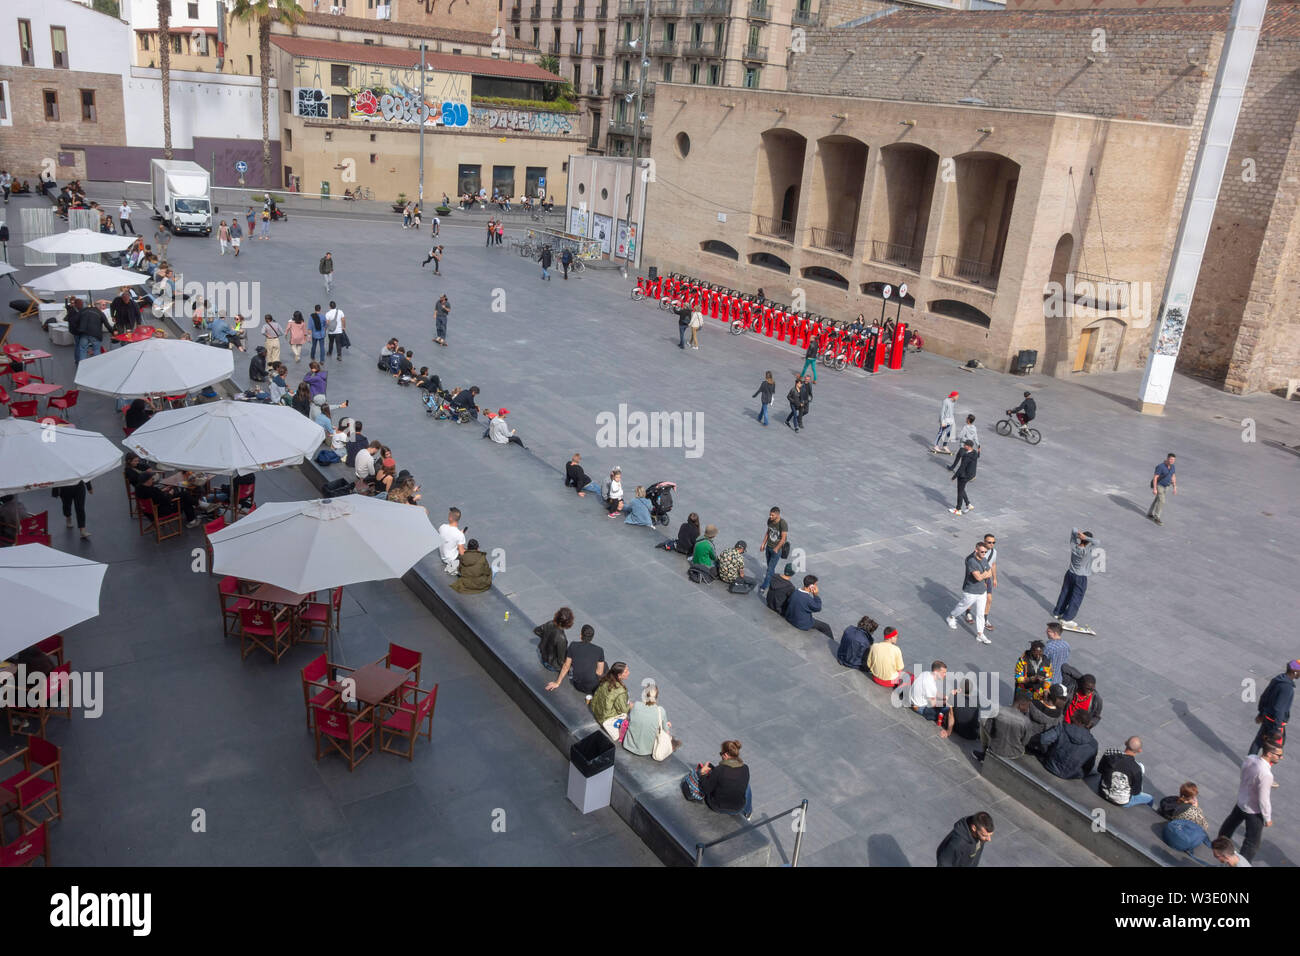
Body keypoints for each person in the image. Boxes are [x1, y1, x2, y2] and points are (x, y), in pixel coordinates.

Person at [1217, 743, 1281, 862]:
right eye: (1279, 755)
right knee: (1251, 842)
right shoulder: (1266, 774)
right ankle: (1242, 863)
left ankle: (1219, 847)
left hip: (1242, 801)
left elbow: (1243, 775)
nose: (1281, 757)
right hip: (1254, 811)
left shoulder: (1250, 758)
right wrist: (1267, 818)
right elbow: (1263, 799)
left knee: (1229, 825)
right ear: (1269, 754)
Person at [685, 740, 752, 819]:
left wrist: (703, 774)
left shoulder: (720, 770)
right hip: (737, 809)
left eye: (721, 754)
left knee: (716, 783)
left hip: (717, 806)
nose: (721, 756)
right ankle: (748, 812)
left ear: (726, 755)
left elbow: (706, 789)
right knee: (747, 786)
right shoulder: (745, 768)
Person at [946, 539, 992, 644]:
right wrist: (985, 574)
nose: (984, 554)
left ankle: (980, 634)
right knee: (962, 606)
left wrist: (984, 574)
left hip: (982, 592)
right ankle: (951, 617)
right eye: (982, 552)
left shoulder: (984, 559)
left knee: (980, 614)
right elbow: (978, 578)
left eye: (985, 552)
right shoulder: (971, 561)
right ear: (976, 550)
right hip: (971, 591)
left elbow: (989, 573)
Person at [1051, 528, 1097, 627]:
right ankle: (1067, 619)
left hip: (1070, 573)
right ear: (1088, 541)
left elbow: (1073, 529)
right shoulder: (1087, 551)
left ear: (1080, 538)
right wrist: (1087, 538)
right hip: (1080, 577)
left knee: (1065, 592)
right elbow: (1097, 542)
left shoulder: (1074, 546)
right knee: (1076, 597)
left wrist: (1078, 534)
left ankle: (1058, 612)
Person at [623, 679, 679, 759]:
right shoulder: (660, 711)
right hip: (646, 750)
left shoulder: (636, 705)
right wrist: (666, 726)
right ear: (656, 697)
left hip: (628, 745)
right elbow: (666, 731)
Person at [1250, 660, 1298, 755]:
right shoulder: (1287, 688)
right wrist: (1277, 728)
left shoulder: (1278, 679)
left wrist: (1261, 713)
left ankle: (1249, 763)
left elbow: (1265, 696)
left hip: (1267, 716)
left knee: (1258, 741)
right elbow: (1279, 709)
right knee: (1275, 749)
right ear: (1295, 672)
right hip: (1275, 721)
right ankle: (1262, 767)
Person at [546, 624, 605, 695]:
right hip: (592, 687)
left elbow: (566, 666)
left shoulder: (573, 645)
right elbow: (599, 673)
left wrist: (557, 683)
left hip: (578, 685)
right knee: (604, 665)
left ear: (581, 635)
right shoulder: (599, 650)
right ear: (592, 638)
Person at [1037, 713, 1099, 779]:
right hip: (1070, 774)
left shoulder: (1062, 727)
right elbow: (1088, 767)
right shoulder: (1093, 744)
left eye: (1074, 716)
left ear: (1079, 721)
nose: (1071, 716)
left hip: (1049, 764)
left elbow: (1043, 739)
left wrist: (1047, 753)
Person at [1098, 736, 1154, 807]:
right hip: (1121, 801)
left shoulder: (1109, 753)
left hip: (1102, 792)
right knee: (1150, 798)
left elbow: (1099, 770)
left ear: (1125, 743)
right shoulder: (1137, 769)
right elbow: (1136, 792)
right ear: (1139, 751)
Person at [909, 660, 952, 736]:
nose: (945, 675)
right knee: (948, 708)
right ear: (936, 672)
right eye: (943, 673)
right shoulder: (930, 684)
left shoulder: (925, 673)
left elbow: (934, 692)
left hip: (913, 701)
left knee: (943, 703)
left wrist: (944, 697)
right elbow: (932, 704)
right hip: (920, 707)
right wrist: (946, 703)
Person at [589, 663, 631, 741]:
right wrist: (630, 706)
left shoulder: (606, 679)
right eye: (626, 671)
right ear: (619, 675)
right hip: (605, 718)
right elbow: (623, 710)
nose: (629, 672)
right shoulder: (620, 690)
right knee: (627, 712)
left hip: (596, 711)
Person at [785, 574, 833, 639]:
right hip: (801, 623)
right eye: (815, 585)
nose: (816, 586)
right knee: (826, 627)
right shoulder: (808, 599)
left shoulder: (795, 591)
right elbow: (818, 608)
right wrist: (815, 595)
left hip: (790, 618)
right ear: (811, 586)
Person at [757, 505, 788, 595]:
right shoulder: (770, 521)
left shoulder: (783, 523)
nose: (770, 517)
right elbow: (768, 532)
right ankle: (773, 581)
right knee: (770, 568)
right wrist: (763, 544)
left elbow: (783, 538)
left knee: (770, 569)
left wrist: (777, 548)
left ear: (777, 515)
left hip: (776, 550)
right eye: (770, 515)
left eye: (772, 515)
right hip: (768, 548)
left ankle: (764, 586)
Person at [534, 607, 573, 672]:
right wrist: (569, 669)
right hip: (552, 665)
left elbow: (537, 631)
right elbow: (561, 661)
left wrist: (546, 638)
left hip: (543, 656)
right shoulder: (561, 639)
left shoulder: (550, 623)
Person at [947, 440, 978, 515]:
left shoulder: (967, 456)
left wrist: (954, 477)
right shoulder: (975, 453)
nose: (964, 446)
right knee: (961, 488)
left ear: (968, 446)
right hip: (970, 475)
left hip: (963, 476)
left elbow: (962, 467)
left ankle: (958, 509)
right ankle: (968, 504)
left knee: (960, 491)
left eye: (965, 445)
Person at [1147, 452, 1177, 526]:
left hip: (1166, 486)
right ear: (1167, 459)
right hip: (1159, 485)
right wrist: (1154, 488)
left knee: (1157, 499)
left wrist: (1174, 487)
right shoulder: (1160, 466)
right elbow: (1155, 478)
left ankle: (1150, 513)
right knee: (1162, 501)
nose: (1172, 461)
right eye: (1171, 459)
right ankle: (1157, 517)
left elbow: (1173, 476)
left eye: (1173, 460)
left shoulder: (1173, 467)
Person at [438, 507, 467, 574]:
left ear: (450, 518)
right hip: (451, 559)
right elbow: (462, 553)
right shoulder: (459, 535)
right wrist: (461, 536)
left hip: (443, 556)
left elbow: (448, 537)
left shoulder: (442, 527)